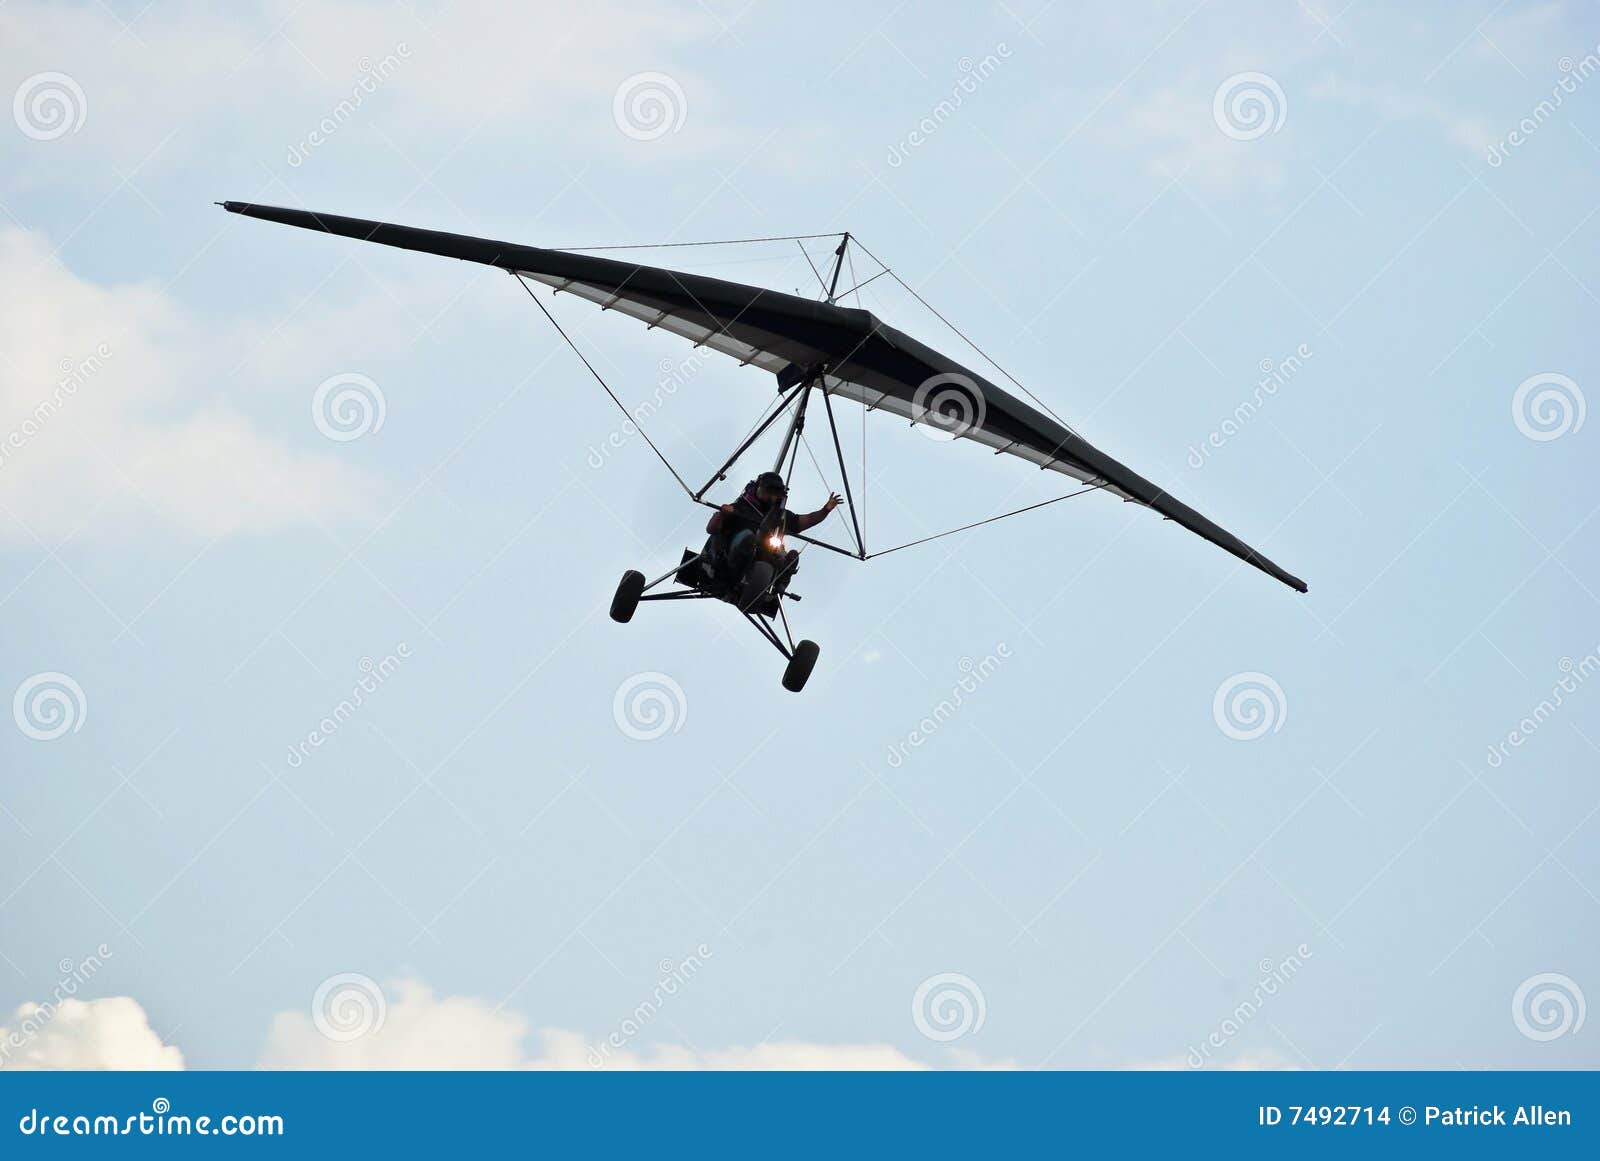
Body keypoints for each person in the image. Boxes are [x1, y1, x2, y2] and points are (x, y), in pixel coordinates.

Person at [704, 471, 842, 582]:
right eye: (767, 492)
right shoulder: (741, 506)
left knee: (784, 553)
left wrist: (826, 510)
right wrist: (722, 514)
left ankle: (776, 583)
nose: (770, 497)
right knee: (748, 537)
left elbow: (808, 519)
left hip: (761, 557)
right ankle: (739, 571)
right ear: (758, 488)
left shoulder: (780, 515)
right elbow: (711, 529)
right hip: (730, 557)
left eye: (774, 494)